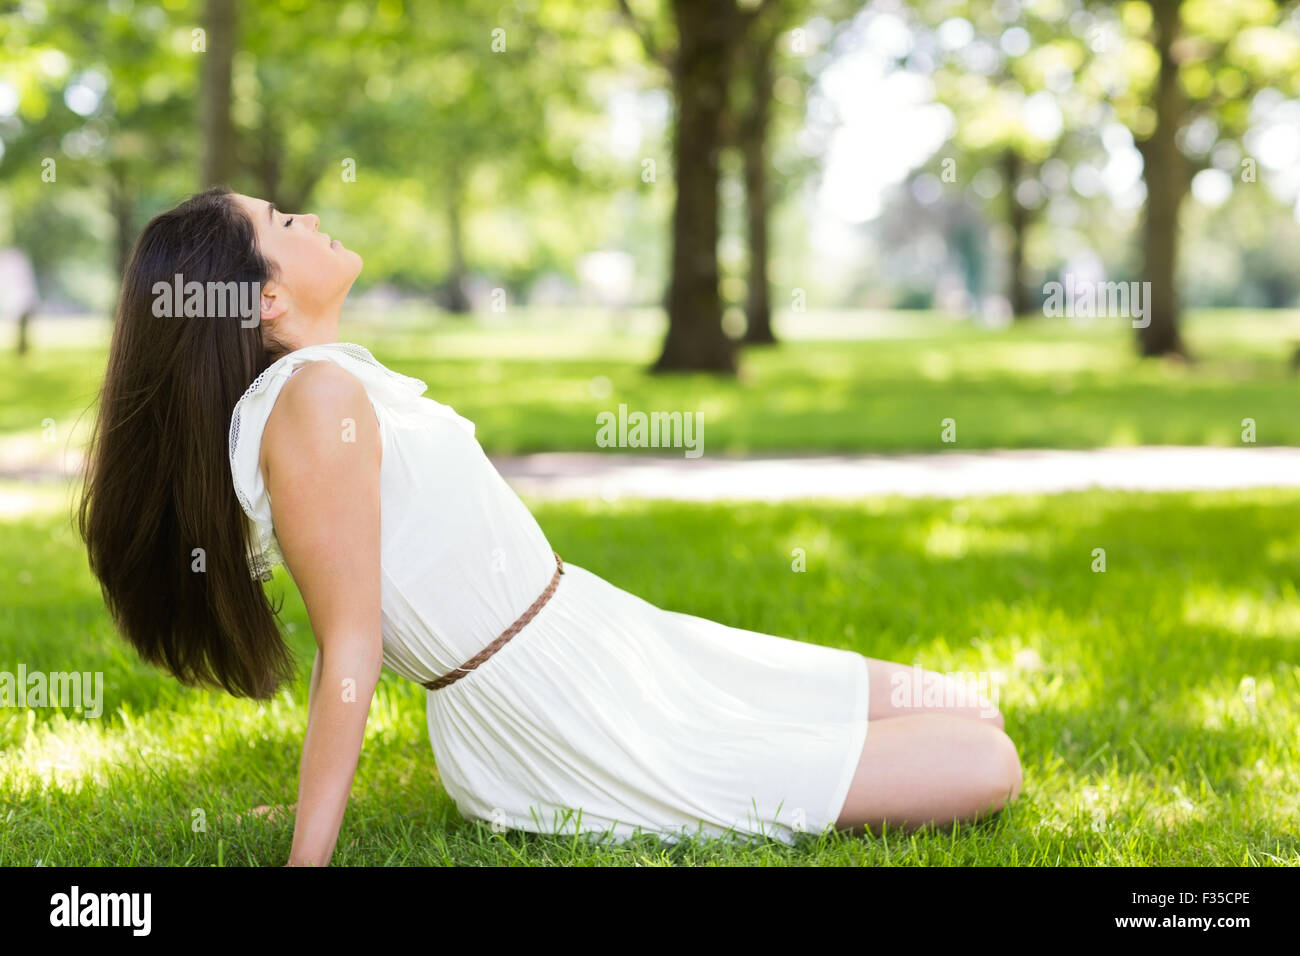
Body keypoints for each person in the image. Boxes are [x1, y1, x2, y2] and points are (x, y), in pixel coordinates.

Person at [77, 187, 1022, 867]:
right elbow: (351, 638)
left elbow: (368, 603)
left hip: (609, 641)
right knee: (985, 759)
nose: (309, 216)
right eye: (282, 223)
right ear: (267, 298)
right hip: (562, 715)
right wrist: (308, 854)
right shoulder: (313, 402)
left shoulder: (324, 388)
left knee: (963, 707)